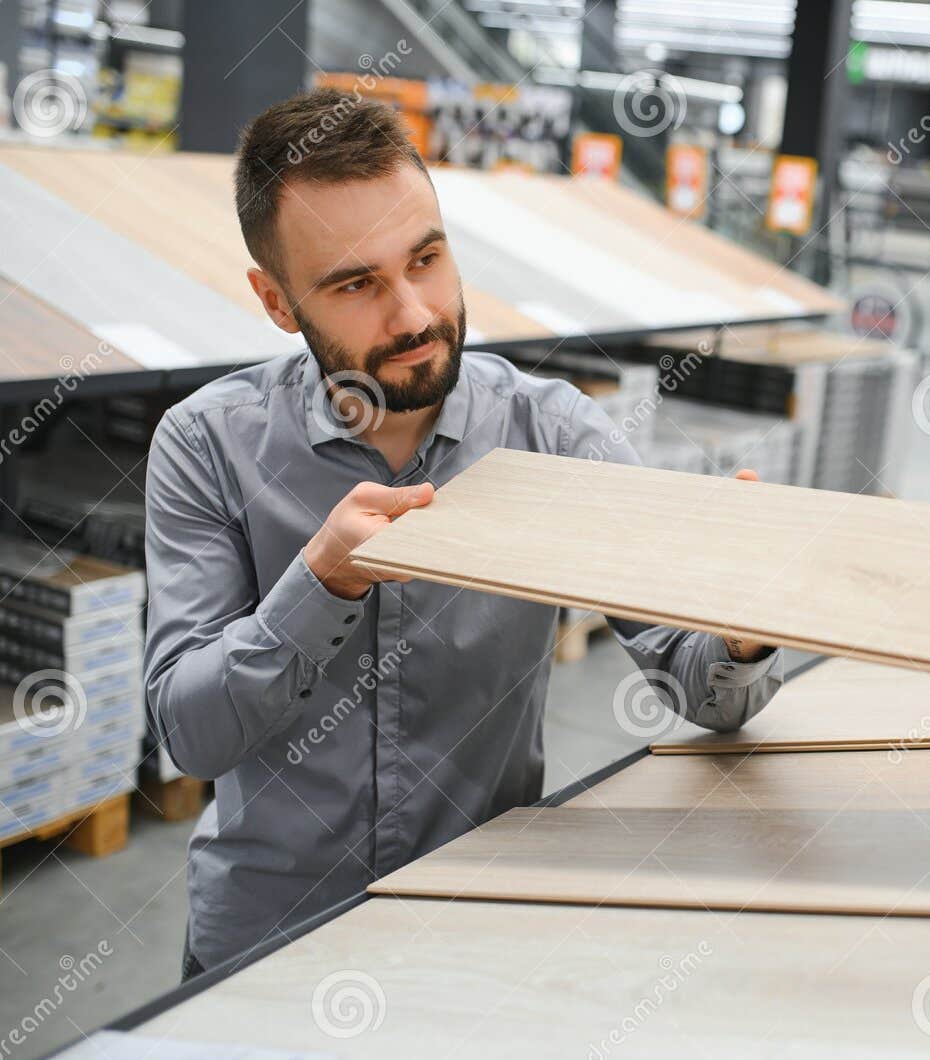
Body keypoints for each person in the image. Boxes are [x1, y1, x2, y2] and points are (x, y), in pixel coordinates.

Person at [143, 91, 783, 979]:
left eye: (426, 259)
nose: (413, 314)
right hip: (263, 944)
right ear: (277, 302)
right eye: (356, 284)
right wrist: (321, 580)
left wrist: (743, 629)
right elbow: (192, 735)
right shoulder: (207, 445)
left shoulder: (554, 435)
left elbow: (703, 690)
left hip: (473, 939)